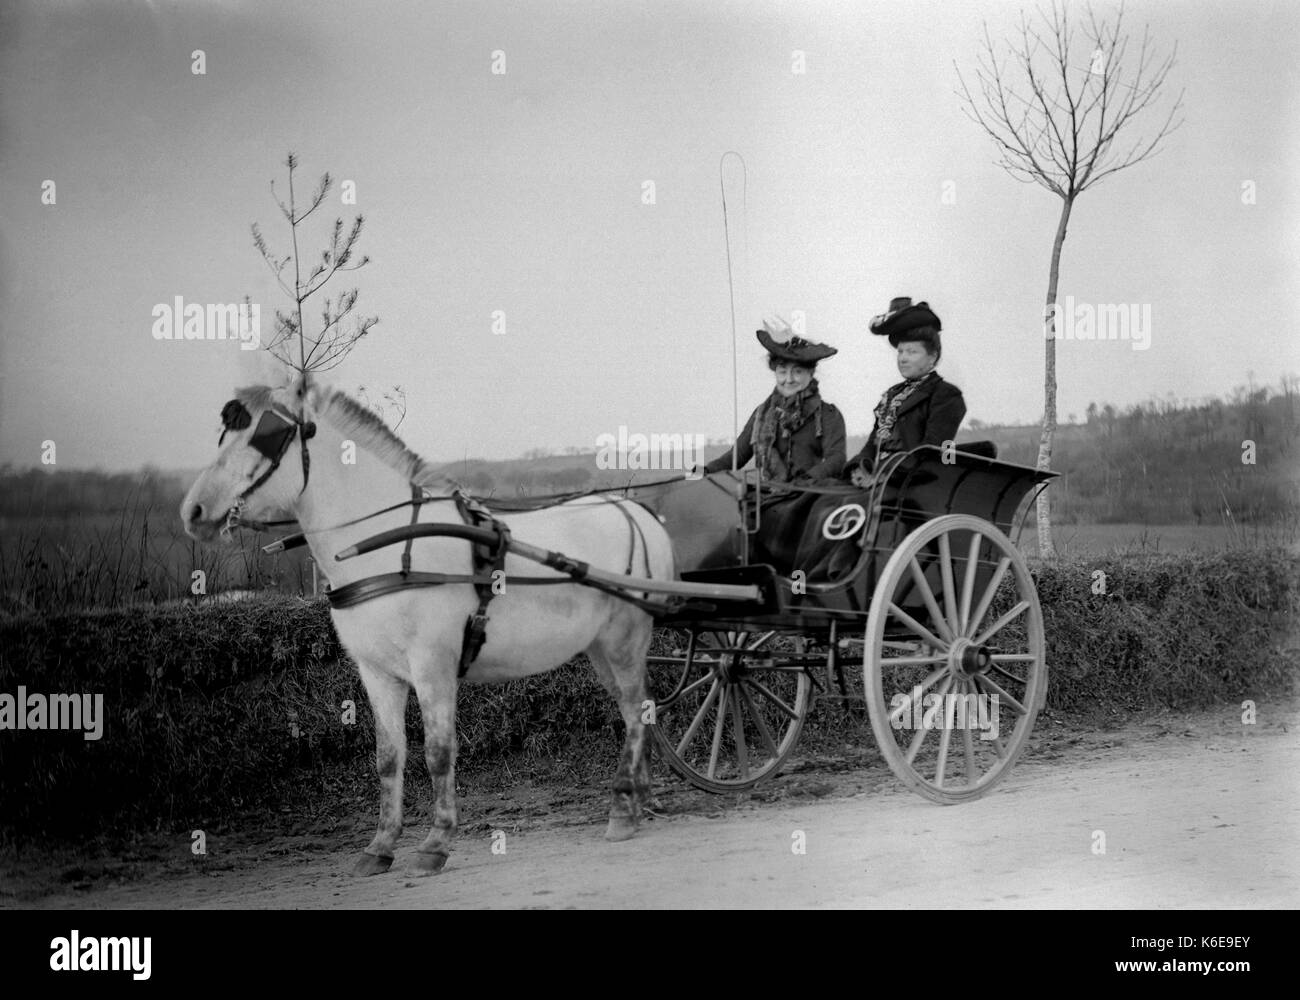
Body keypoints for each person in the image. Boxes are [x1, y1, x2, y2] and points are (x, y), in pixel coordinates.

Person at [704, 320, 847, 484]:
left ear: (811, 372)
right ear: (775, 372)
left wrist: (806, 480)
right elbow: (735, 458)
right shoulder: (761, 414)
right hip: (767, 496)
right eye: (782, 372)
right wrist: (702, 471)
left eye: (797, 372)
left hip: (809, 495)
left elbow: (836, 459)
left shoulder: (828, 415)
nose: (789, 379)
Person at [845, 297, 966, 486]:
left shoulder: (945, 395)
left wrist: (883, 478)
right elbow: (872, 444)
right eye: (900, 352)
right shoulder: (892, 395)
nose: (902, 358)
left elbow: (931, 454)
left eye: (912, 352)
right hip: (877, 478)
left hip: (910, 484)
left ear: (932, 356)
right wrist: (858, 468)